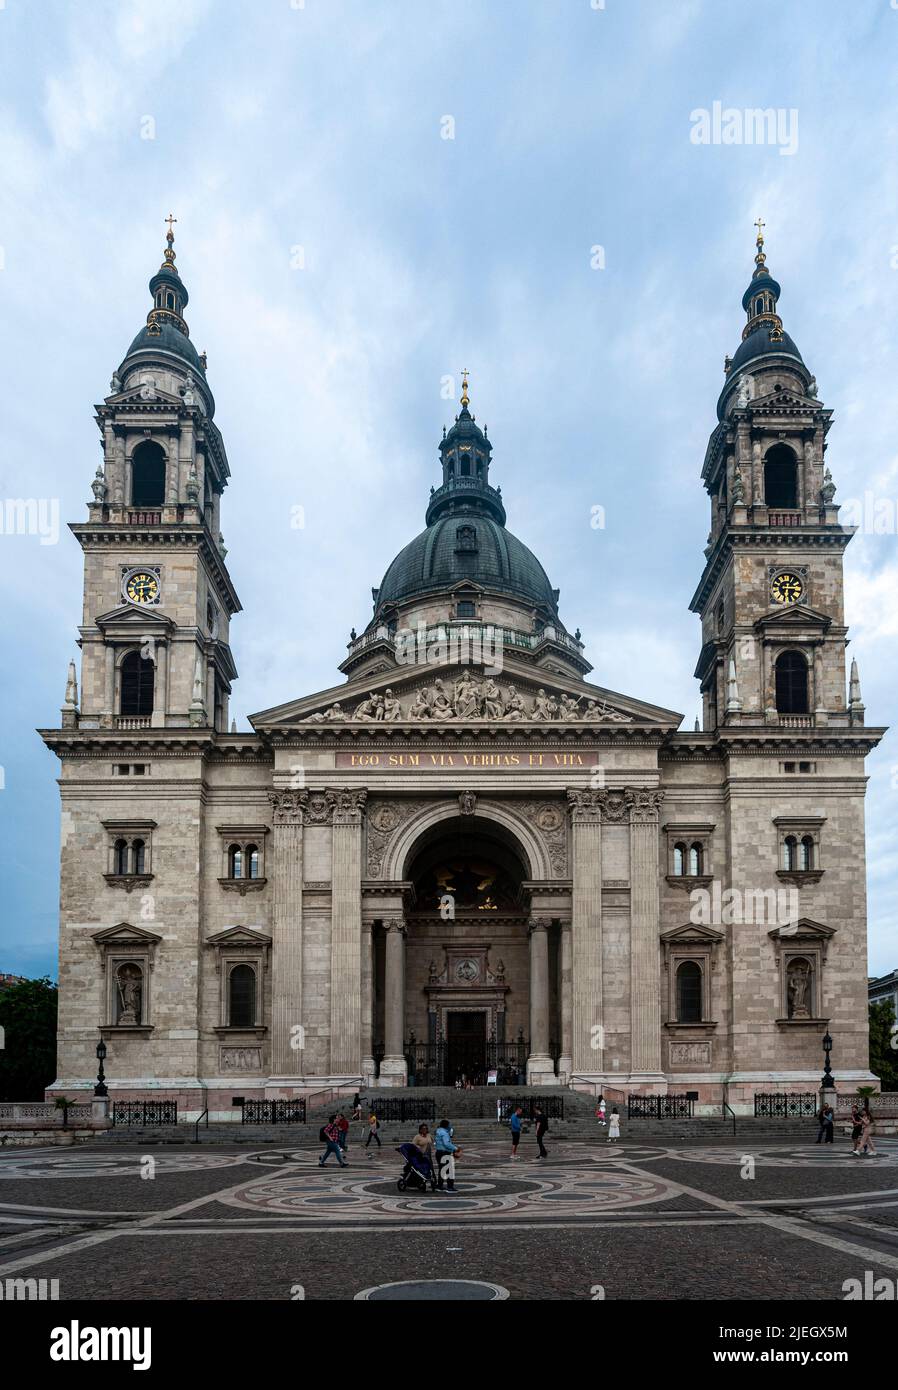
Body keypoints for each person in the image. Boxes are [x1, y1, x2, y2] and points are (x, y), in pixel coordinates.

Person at [435, 1117, 459, 1192]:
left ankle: (440, 1186)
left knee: (442, 1170)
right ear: (446, 1125)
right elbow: (446, 1143)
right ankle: (450, 1187)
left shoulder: (438, 1131)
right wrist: (455, 1148)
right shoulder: (444, 1133)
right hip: (444, 1153)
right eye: (449, 1125)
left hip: (439, 1152)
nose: (450, 1126)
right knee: (450, 1170)